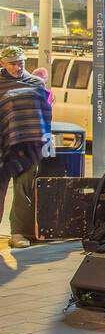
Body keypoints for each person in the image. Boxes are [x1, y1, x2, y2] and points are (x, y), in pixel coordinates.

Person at [0, 45, 52, 249]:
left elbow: (46, 113)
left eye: (20, 62)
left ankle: (18, 233)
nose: (17, 67)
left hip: (28, 146)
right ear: (2, 63)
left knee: (24, 191)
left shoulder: (36, 83)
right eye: (12, 64)